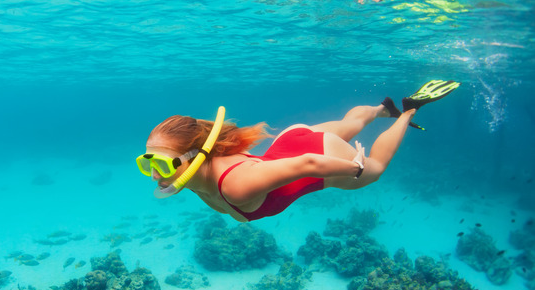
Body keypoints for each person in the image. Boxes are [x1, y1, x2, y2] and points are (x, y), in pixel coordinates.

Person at [136, 80, 460, 222]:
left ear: (196, 156)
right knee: (349, 123)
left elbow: (307, 164)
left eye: (162, 164)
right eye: (146, 162)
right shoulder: (194, 174)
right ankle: (380, 108)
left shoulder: (233, 185)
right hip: (292, 141)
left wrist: (354, 168)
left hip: (314, 155)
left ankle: (407, 111)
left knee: (377, 168)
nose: (153, 174)